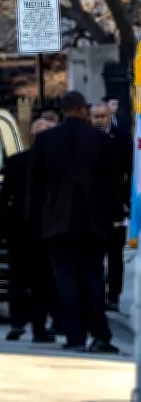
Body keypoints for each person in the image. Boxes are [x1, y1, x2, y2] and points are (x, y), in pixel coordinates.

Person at [27, 90, 122, 353]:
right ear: (82, 110)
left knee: (65, 280)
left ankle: (74, 335)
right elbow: (114, 183)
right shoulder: (100, 140)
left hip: (56, 221)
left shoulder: (45, 142)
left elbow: (34, 186)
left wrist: (34, 221)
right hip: (94, 221)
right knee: (93, 277)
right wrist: (115, 217)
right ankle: (100, 334)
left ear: (63, 110)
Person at [0, 118, 56, 343]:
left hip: (19, 228)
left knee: (18, 279)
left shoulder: (16, 161)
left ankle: (17, 322)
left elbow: (5, 199)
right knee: (41, 280)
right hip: (44, 228)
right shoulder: (54, 164)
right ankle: (39, 328)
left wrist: (1, 229)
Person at [91, 101, 133, 311]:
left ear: (110, 117)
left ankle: (113, 295)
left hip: (115, 206)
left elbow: (130, 173)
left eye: (103, 116)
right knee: (94, 254)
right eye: (96, 117)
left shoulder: (122, 139)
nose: (99, 120)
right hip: (91, 205)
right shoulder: (86, 139)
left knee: (115, 254)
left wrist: (126, 202)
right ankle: (96, 293)